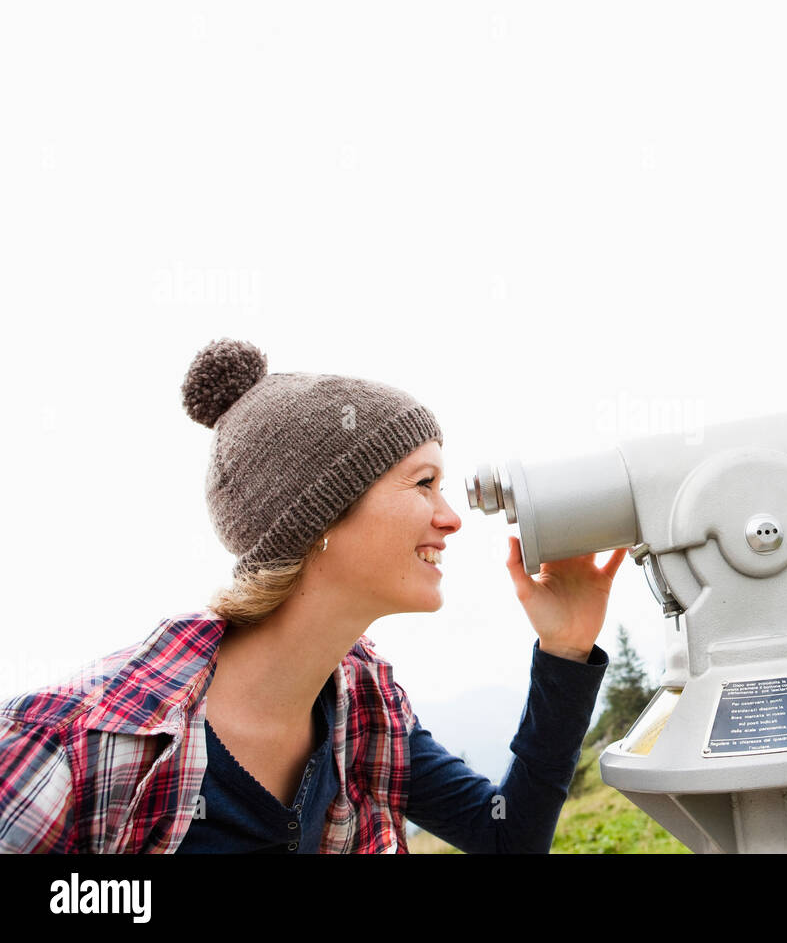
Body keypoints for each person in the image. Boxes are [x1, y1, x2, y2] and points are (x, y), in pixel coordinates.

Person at [0, 338, 626, 853]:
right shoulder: (70, 746)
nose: (451, 517)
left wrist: (565, 649)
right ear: (319, 518)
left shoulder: (365, 708)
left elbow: (505, 836)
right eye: (424, 483)